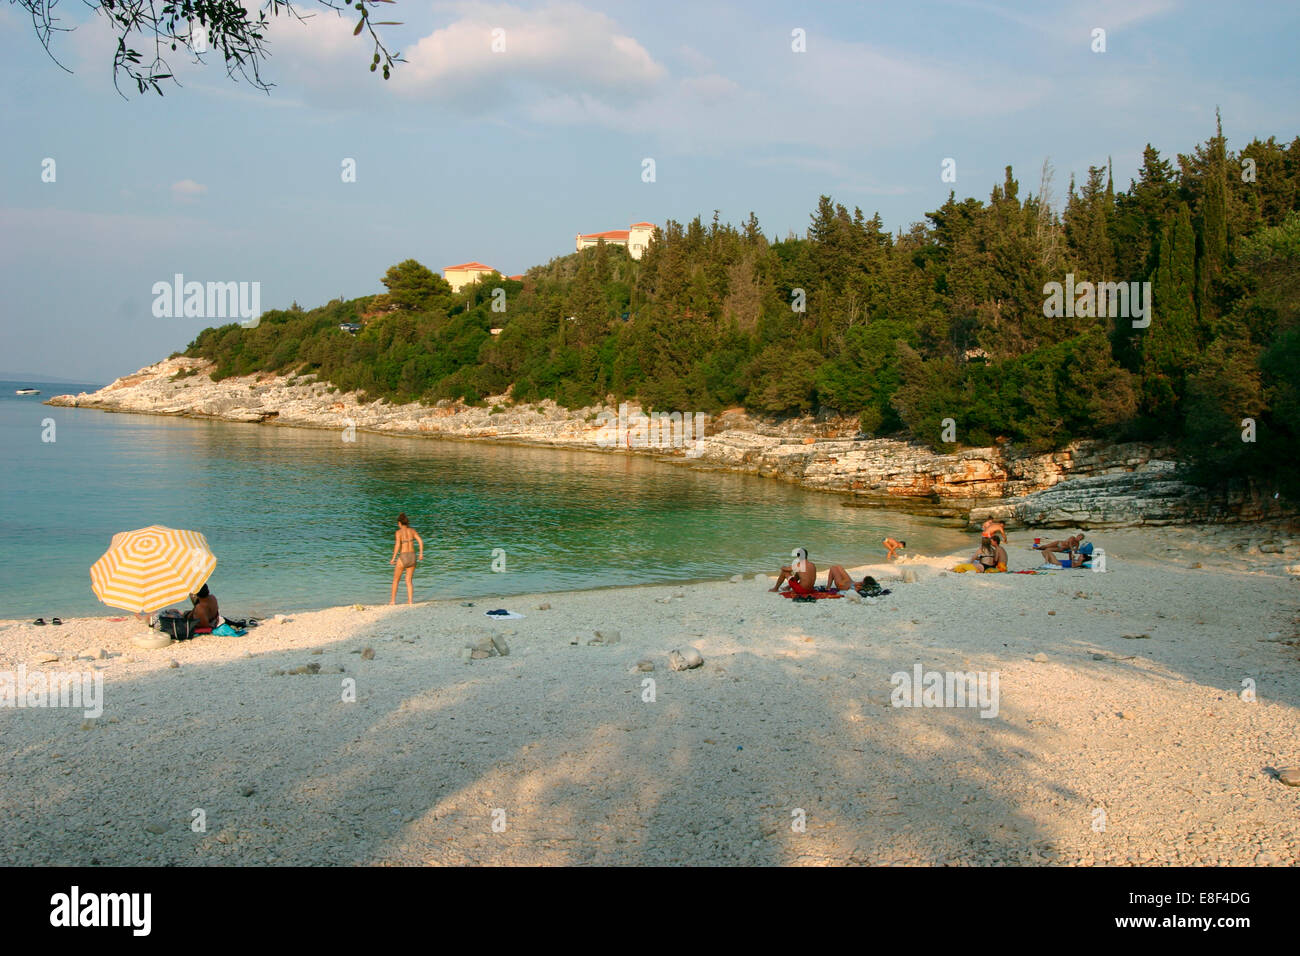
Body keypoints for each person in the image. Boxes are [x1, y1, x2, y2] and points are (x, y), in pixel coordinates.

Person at [389, 513, 424, 605]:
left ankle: (392, 601)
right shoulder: (412, 531)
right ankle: (410, 601)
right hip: (412, 556)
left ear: (399, 523)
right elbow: (420, 541)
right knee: (408, 580)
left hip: (403, 556)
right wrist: (421, 554)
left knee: (396, 580)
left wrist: (393, 558)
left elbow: (397, 545)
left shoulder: (398, 532)